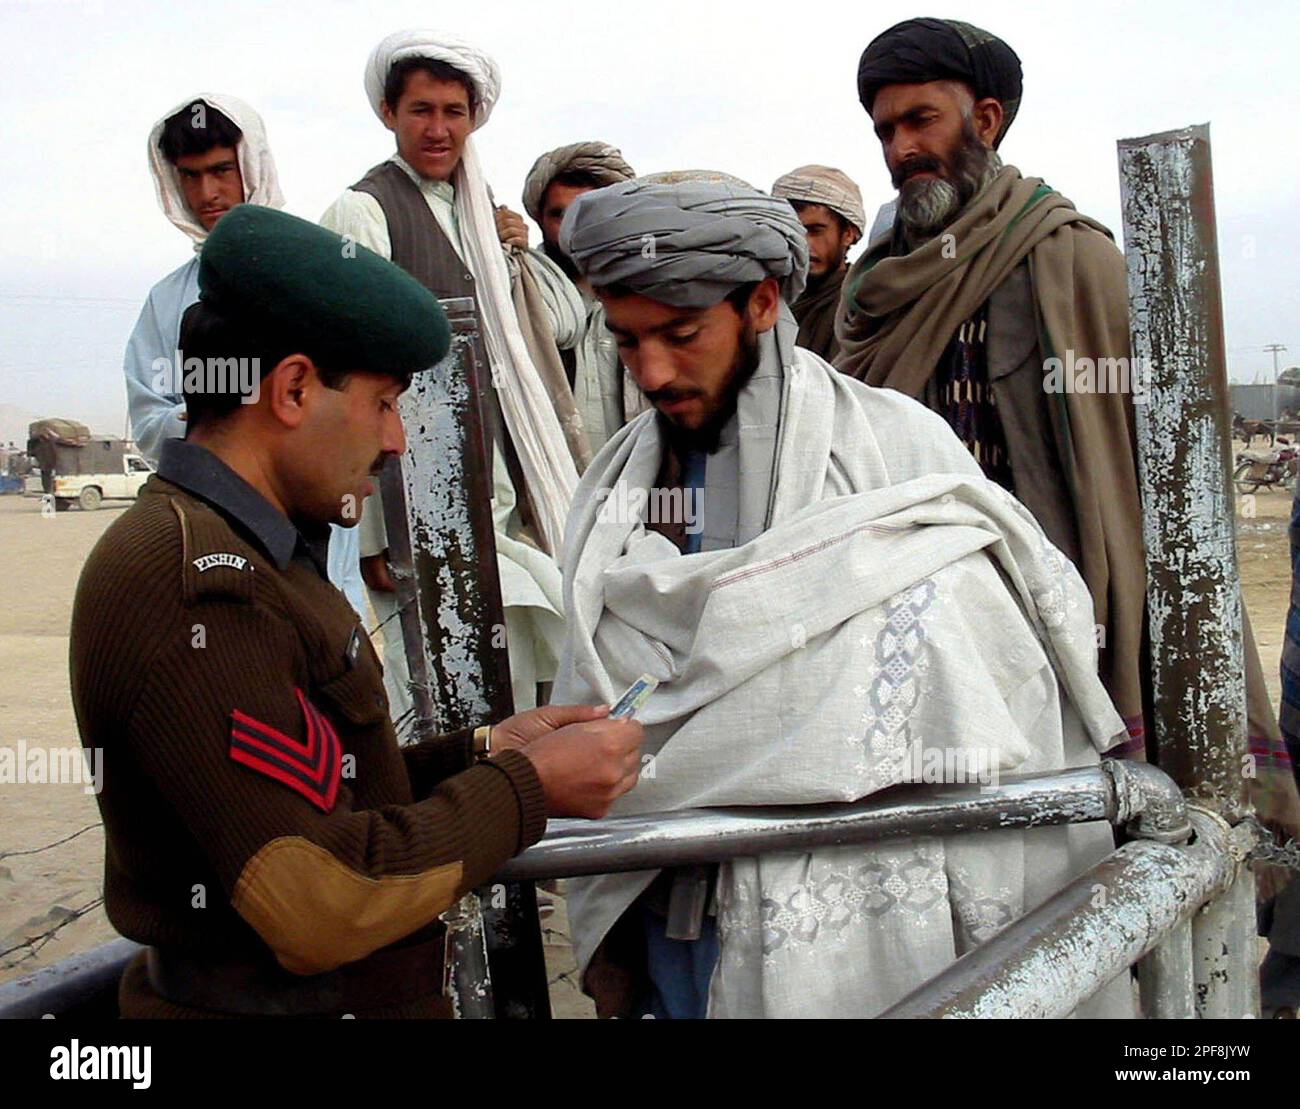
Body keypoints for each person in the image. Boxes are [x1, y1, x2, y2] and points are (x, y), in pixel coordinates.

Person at [552, 172, 1133, 1019]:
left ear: (761, 302)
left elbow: (993, 683)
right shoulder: (619, 486)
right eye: (627, 341)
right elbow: (600, 691)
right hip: (670, 916)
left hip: (876, 919)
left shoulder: (896, 446)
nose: (652, 370)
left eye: (680, 334)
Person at [71, 205, 643, 1019]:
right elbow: (320, 895)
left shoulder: (256, 550)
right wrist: (528, 788)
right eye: (382, 403)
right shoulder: (195, 579)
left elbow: (313, 795)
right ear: (295, 388)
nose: (398, 439)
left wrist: (484, 752)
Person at [836, 19, 1299, 832]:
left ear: (985, 120)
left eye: (921, 120)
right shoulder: (876, 285)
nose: (902, 146)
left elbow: (1140, 476)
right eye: (885, 130)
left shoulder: (1071, 260)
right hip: (907, 621)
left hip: (1051, 620)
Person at [321, 31, 581, 713]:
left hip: (498, 496)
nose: (438, 130)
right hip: (417, 507)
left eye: (453, 112)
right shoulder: (364, 211)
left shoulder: (479, 212)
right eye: (420, 111)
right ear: (388, 113)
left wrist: (519, 253)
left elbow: (558, 327)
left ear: (474, 118)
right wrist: (372, 531)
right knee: (436, 695)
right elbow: (349, 374)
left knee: (514, 684)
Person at [123, 94, 366, 614]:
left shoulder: (318, 272)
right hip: (217, 530)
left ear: (252, 166)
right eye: (189, 176)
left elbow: (363, 403)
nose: (207, 193)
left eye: (220, 171)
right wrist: (239, 419)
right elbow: (149, 422)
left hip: (324, 529)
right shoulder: (168, 300)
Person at [522, 141, 649, 454]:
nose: (572, 231)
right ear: (540, 219)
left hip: (640, 480)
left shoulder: (648, 299)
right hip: (558, 481)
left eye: (587, 214)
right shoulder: (526, 296)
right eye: (559, 215)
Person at [770, 165, 865, 362]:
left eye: (815, 230)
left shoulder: (863, 303)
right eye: (793, 231)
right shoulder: (765, 301)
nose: (803, 244)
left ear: (848, 234)